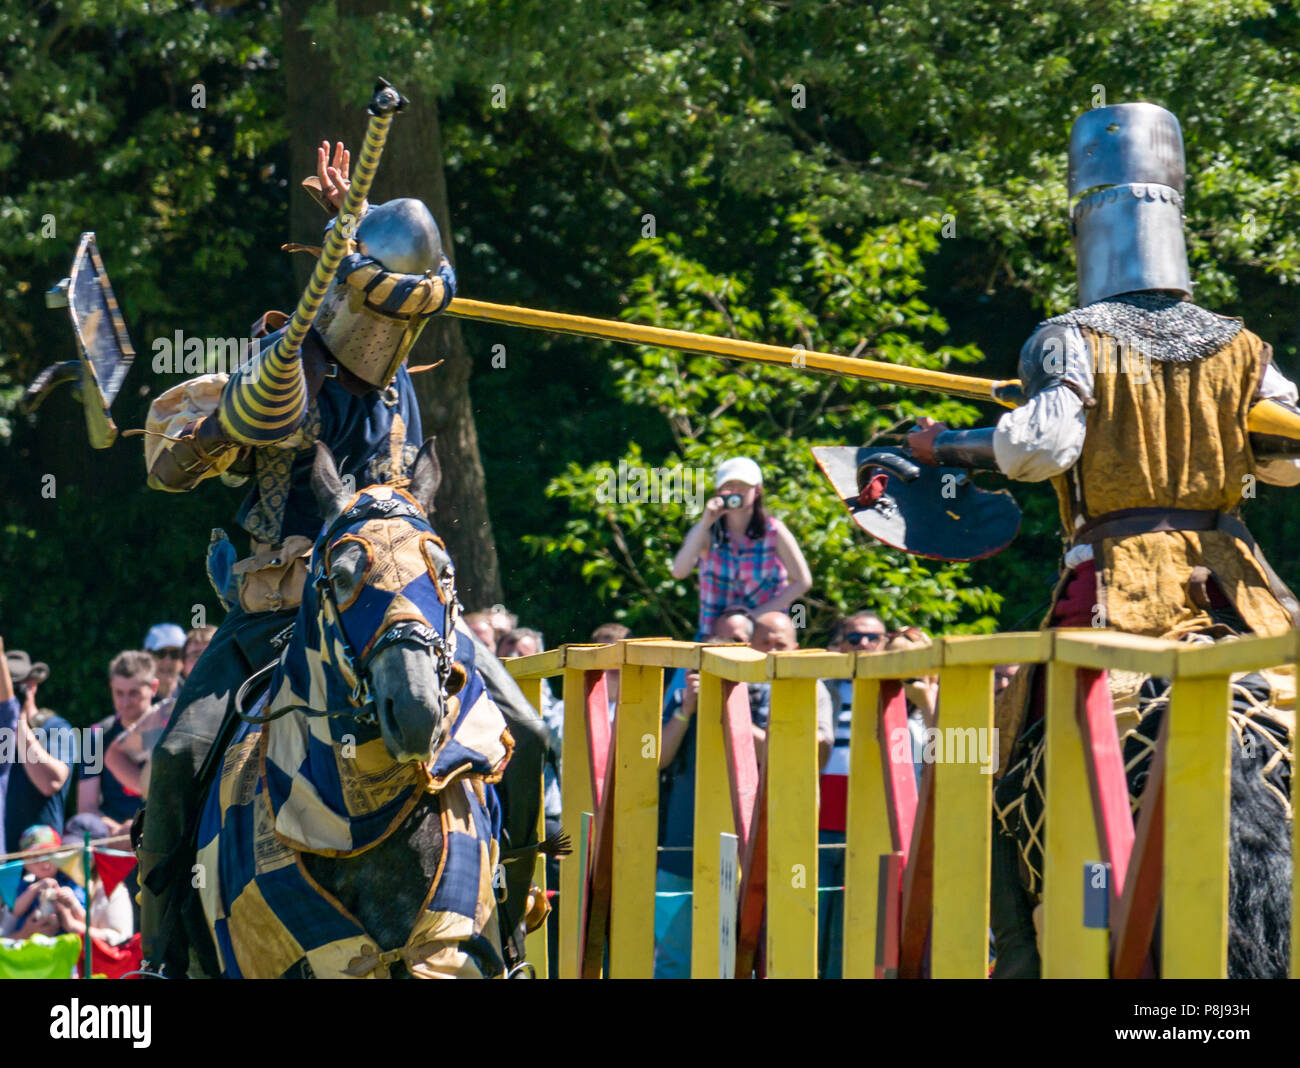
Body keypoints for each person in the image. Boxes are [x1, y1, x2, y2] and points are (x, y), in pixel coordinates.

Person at [905, 103, 1300, 977]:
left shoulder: (1068, 339)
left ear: (1088, 221)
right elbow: (1287, 461)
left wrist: (949, 446)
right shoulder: (1243, 346)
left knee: (997, 755)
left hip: (1117, 585)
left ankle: (1018, 956)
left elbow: (1040, 447)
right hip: (1235, 583)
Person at [132, 139, 473, 976]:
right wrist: (228, 425)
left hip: (392, 622)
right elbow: (169, 460)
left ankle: (510, 922)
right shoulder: (282, 371)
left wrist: (353, 225)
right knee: (178, 761)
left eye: (405, 319)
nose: (392, 335)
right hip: (272, 626)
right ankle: (163, 959)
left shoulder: (404, 394)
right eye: (382, 315)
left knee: (524, 734)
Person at [671, 457, 812, 639]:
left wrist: (756, 614)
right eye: (729, 486)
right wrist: (706, 521)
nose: (736, 492)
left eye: (743, 486)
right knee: (688, 669)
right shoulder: (707, 532)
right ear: (718, 492)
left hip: (765, 637)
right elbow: (679, 571)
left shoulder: (773, 531)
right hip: (715, 637)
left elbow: (803, 581)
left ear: (758, 491)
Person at [2, 649, 78, 856]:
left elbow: (50, 783)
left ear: (32, 685)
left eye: (14, 689)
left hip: (40, 863)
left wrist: (15, 721)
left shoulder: (54, 728)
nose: (8, 698)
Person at [79, 651, 156, 837]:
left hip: (158, 835)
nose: (125, 702)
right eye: (119, 693)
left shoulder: (171, 732)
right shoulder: (96, 736)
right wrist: (118, 831)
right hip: (112, 839)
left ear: (153, 688)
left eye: (134, 693)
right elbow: (86, 807)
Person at [0, 825, 86, 942]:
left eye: (49, 855)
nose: (44, 863)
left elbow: (85, 919)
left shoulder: (71, 883)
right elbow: (16, 911)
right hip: (30, 946)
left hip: (63, 945)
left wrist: (73, 902)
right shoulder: (24, 886)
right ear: (26, 863)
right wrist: (34, 889)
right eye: (36, 857)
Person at [143, 623, 187, 702]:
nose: (167, 661)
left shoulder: (194, 697)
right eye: (160, 653)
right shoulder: (132, 698)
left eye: (175, 653)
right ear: (145, 656)